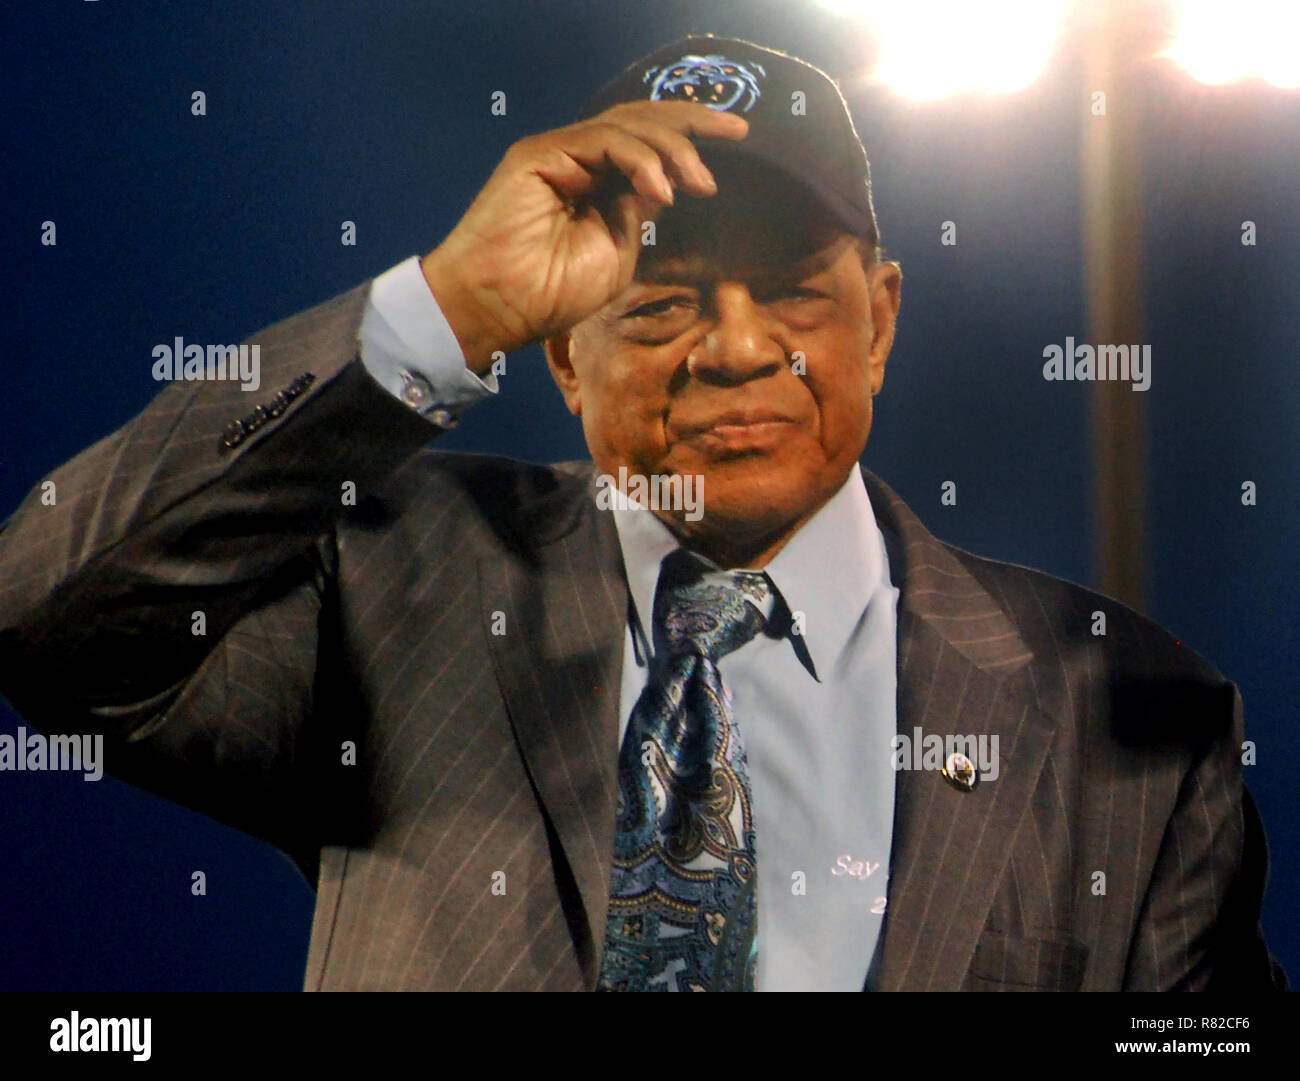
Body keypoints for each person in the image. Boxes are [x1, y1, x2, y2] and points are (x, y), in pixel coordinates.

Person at [0, 35, 1284, 991]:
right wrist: (444, 308)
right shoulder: (388, 581)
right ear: (560, 355)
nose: (733, 350)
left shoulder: (1131, 719)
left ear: (879, 320)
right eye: (660, 304)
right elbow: (50, 615)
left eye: (791, 294)